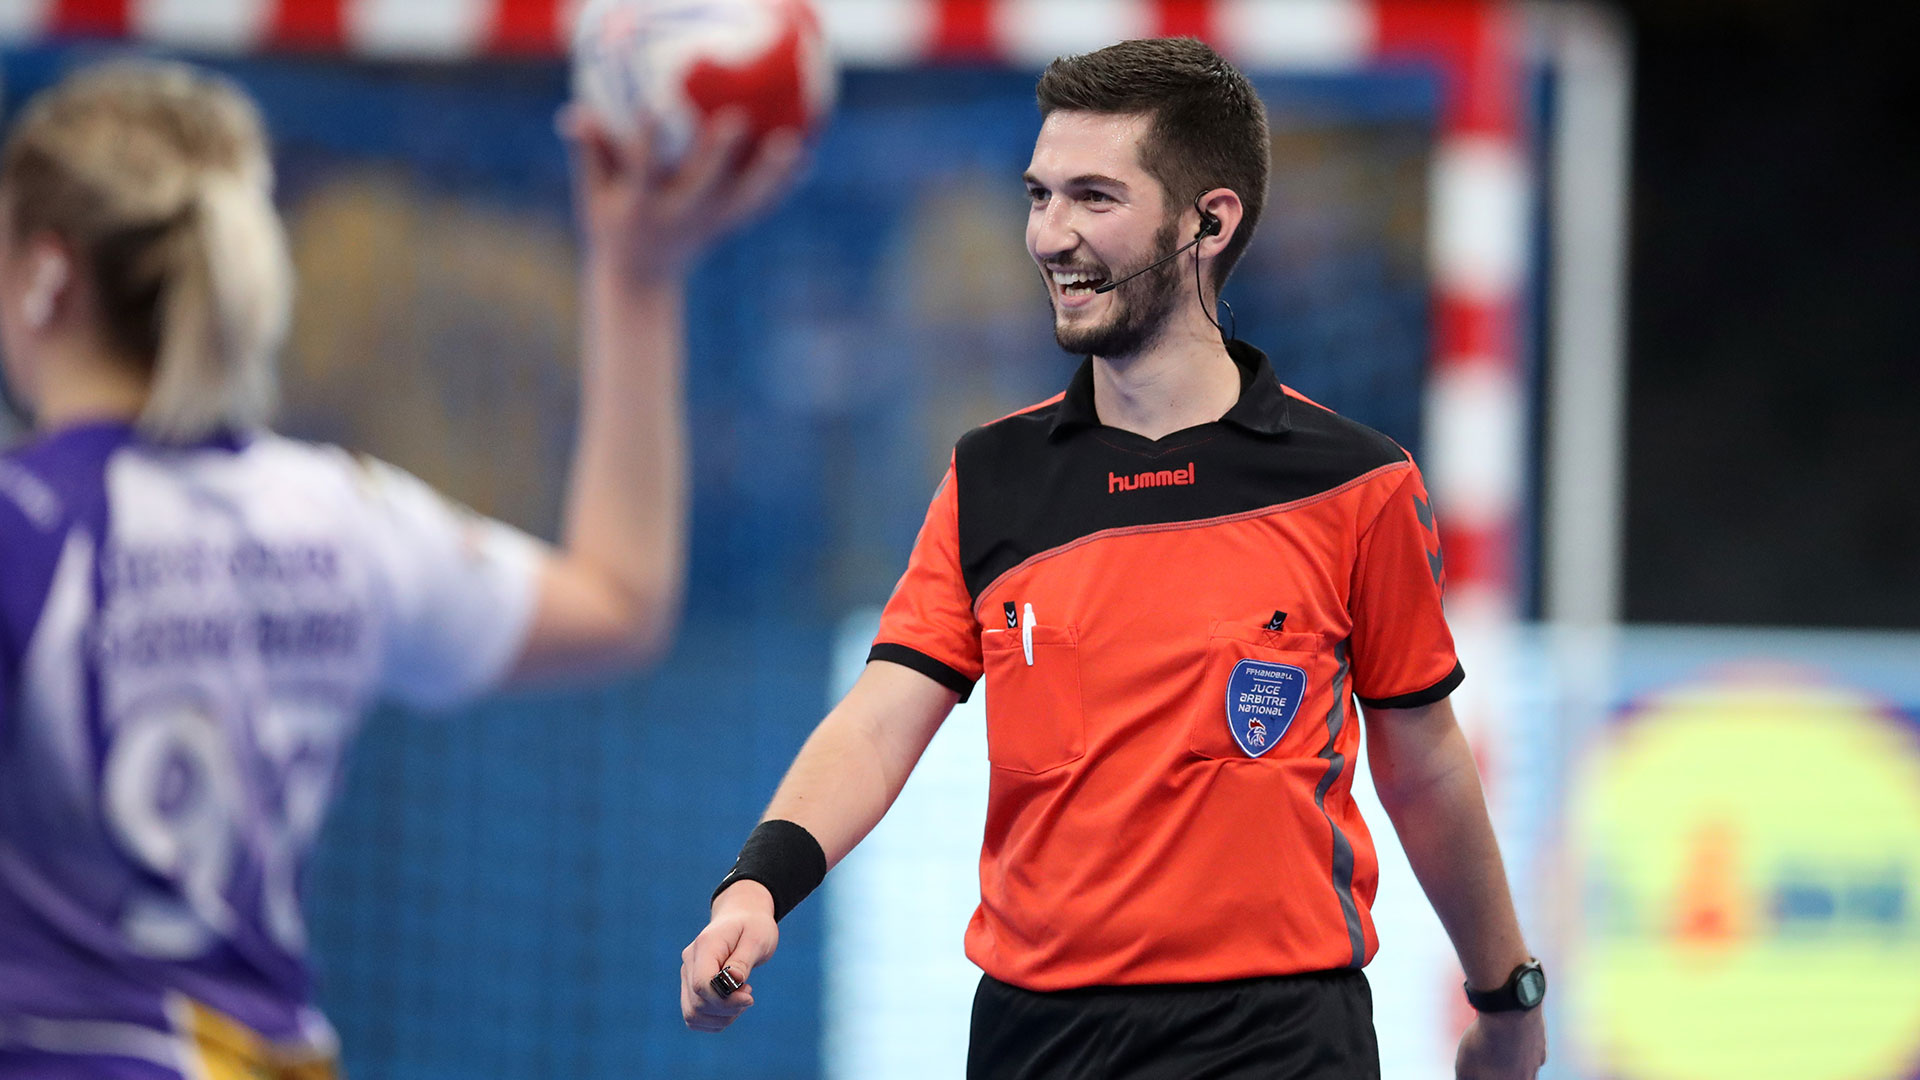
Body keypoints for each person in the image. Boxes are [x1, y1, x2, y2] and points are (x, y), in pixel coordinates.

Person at [680, 38, 1548, 1079]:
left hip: (1280, 1039)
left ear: (1208, 223)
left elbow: (1427, 763)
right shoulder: (989, 477)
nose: (1049, 234)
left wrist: (1507, 996)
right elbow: (878, 722)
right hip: (1036, 1039)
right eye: (1039, 195)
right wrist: (754, 887)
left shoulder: (1355, 485)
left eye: (1095, 197)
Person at [0, 60, 800, 1079]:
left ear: (44, 276)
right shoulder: (332, 513)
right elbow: (620, 598)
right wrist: (636, 278)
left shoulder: (25, 529)